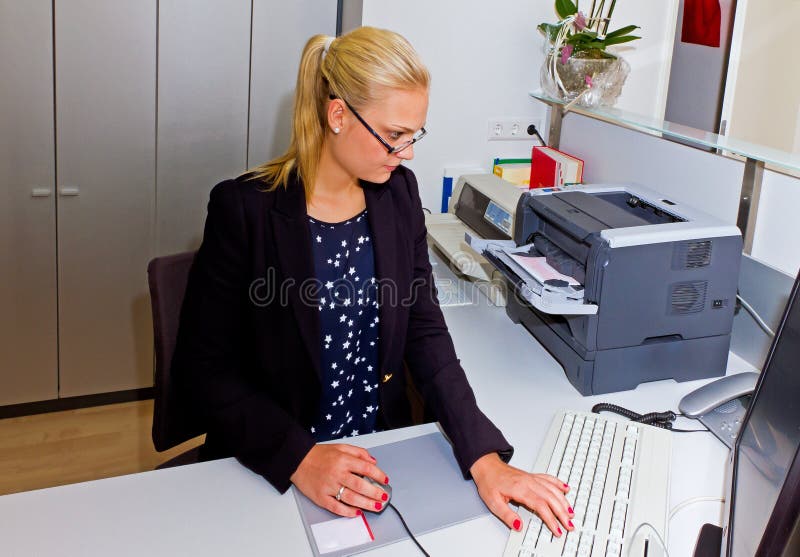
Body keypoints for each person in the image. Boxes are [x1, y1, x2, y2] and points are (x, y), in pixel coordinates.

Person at [172, 26, 573, 537]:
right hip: (278, 463)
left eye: (415, 134)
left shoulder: (398, 195)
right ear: (337, 115)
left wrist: (483, 454)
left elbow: (426, 333)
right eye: (394, 134)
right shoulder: (244, 210)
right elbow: (204, 373)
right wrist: (299, 458)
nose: (406, 152)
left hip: (382, 458)